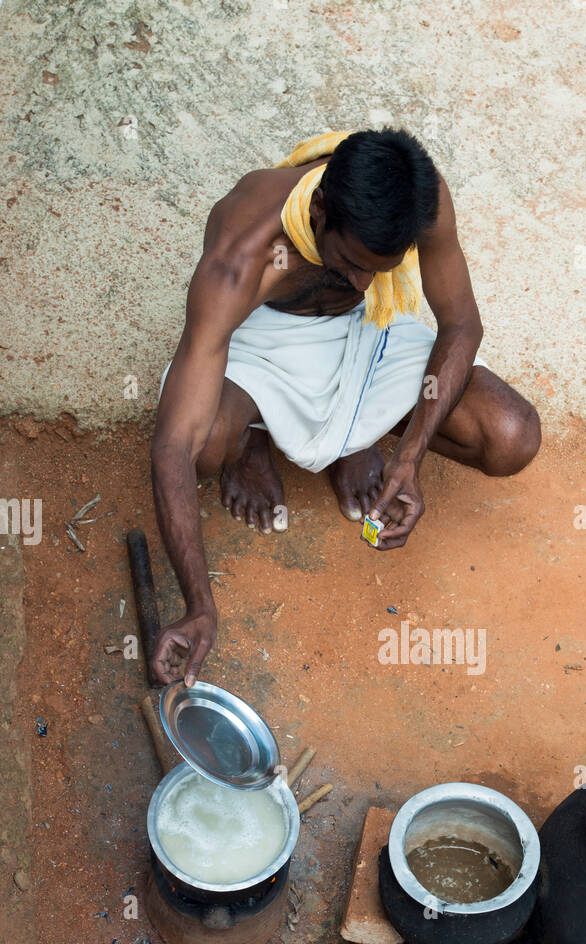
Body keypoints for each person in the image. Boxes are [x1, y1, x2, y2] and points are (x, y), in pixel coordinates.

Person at [150, 128, 541, 685]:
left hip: (367, 331)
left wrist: (409, 455)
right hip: (263, 341)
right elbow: (173, 442)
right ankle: (252, 434)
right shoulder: (243, 251)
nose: (361, 279)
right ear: (319, 209)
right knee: (207, 441)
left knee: (509, 434)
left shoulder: (417, 200)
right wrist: (198, 604)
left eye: (379, 267)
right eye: (351, 261)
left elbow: (460, 324)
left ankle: (354, 438)